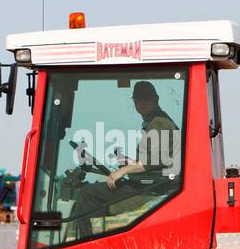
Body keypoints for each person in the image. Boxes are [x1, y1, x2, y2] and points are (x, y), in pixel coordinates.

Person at [68, 81, 179, 240]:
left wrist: (123, 170)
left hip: (152, 189)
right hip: (152, 183)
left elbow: (154, 160)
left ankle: (88, 246)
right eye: (138, 99)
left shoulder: (159, 123)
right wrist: (129, 163)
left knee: (88, 193)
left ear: (156, 99)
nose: (141, 103)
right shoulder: (156, 121)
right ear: (134, 102)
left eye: (146, 99)